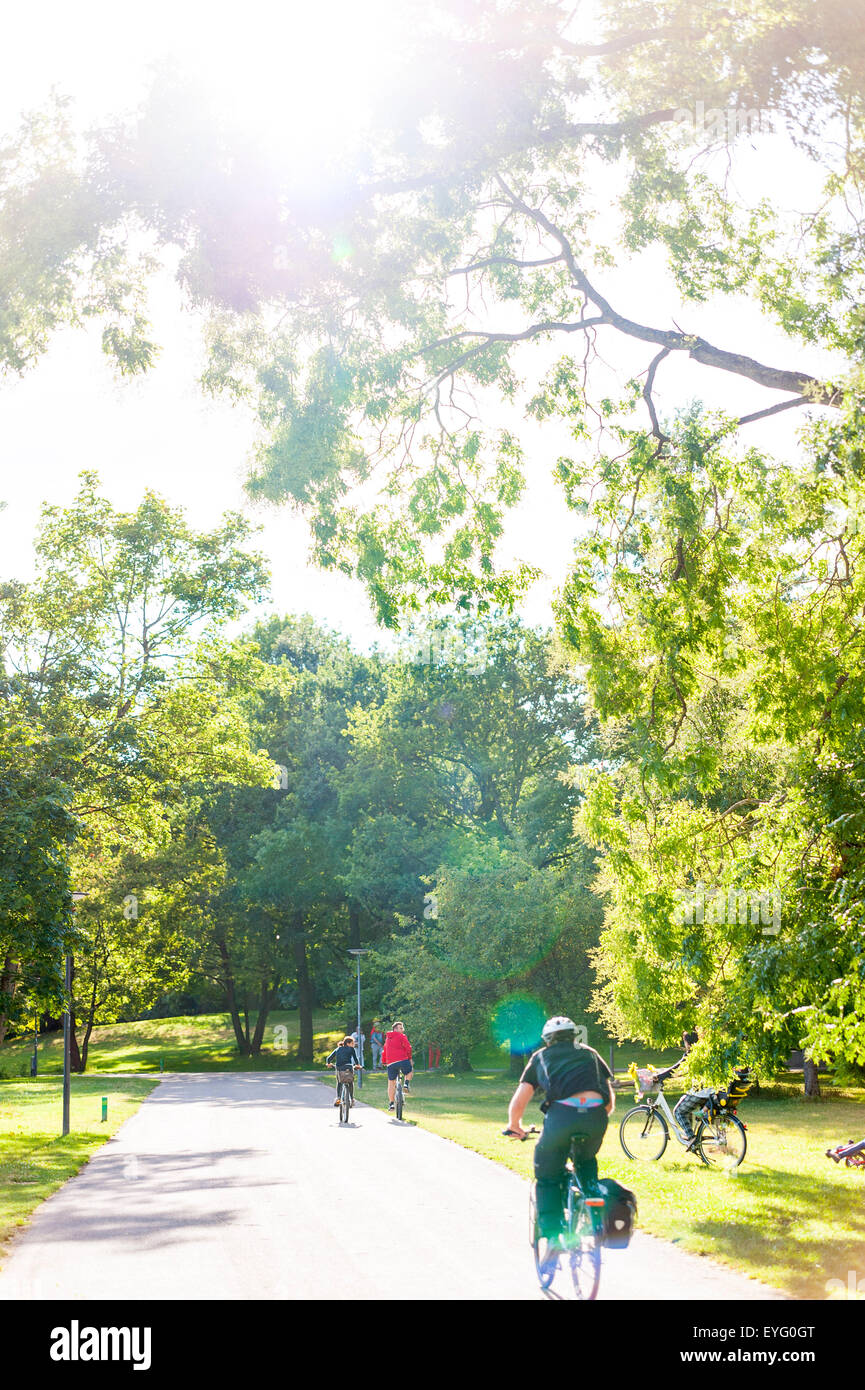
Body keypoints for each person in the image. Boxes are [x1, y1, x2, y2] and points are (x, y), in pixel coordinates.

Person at [506, 1015, 615, 1262]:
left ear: (547, 1039)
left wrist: (515, 1126)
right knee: (586, 1161)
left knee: (546, 1174)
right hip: (596, 1117)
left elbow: (521, 1098)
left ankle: (554, 1237)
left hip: (561, 1117)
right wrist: (591, 1117)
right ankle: (592, 1201)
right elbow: (608, 1101)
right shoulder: (590, 1054)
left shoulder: (541, 1057)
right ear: (574, 1034)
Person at [671, 1031, 706, 1147]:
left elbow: (675, 1068)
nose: (685, 1045)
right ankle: (690, 1133)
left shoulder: (691, 1054)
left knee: (678, 1112)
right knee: (684, 1102)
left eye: (685, 1042)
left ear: (689, 1043)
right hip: (706, 1091)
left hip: (700, 1092)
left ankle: (692, 1139)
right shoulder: (702, 1052)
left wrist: (659, 1076)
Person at [381, 1020, 413, 1110]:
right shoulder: (402, 1036)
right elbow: (408, 1047)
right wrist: (409, 1058)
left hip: (391, 1062)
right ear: (395, 1029)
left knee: (391, 1082)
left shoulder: (387, 1038)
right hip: (402, 1059)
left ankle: (391, 1104)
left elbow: (384, 1051)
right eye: (401, 1028)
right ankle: (406, 1084)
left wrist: (384, 1061)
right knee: (409, 1071)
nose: (403, 1030)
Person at [326, 1036, 362, 1107]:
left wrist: (329, 1064)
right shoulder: (351, 1049)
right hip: (348, 1067)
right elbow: (355, 1059)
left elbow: (329, 1058)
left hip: (339, 1068)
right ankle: (352, 1099)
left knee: (339, 1082)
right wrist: (357, 1065)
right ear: (348, 1043)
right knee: (350, 1082)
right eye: (352, 1043)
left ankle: (338, 1098)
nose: (353, 1045)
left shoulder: (338, 1049)